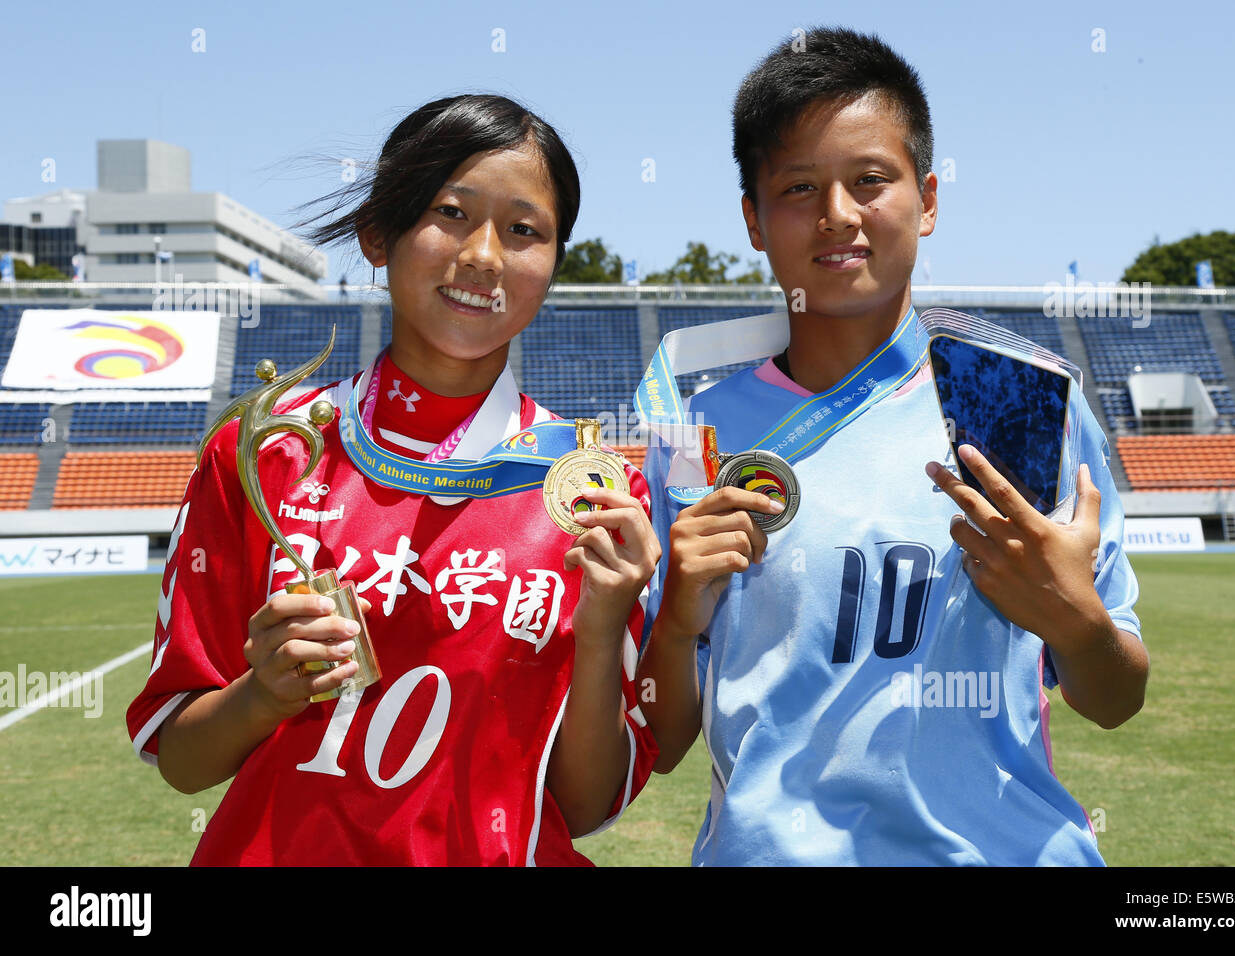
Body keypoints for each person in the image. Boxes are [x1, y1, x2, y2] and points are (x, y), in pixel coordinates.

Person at [637, 29, 1148, 865]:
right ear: (753, 220)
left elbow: (1117, 697)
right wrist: (676, 624)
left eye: (871, 180)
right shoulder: (690, 433)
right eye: (799, 187)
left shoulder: (1023, 402)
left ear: (930, 197)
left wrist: (1078, 625)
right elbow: (658, 744)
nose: (839, 214)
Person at [126, 94, 660, 866]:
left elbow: (581, 806)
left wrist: (606, 622)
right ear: (380, 233)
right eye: (451, 212)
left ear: (552, 261)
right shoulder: (265, 451)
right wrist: (263, 693)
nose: (483, 255)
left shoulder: (594, 494)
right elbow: (183, 760)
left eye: (524, 230)